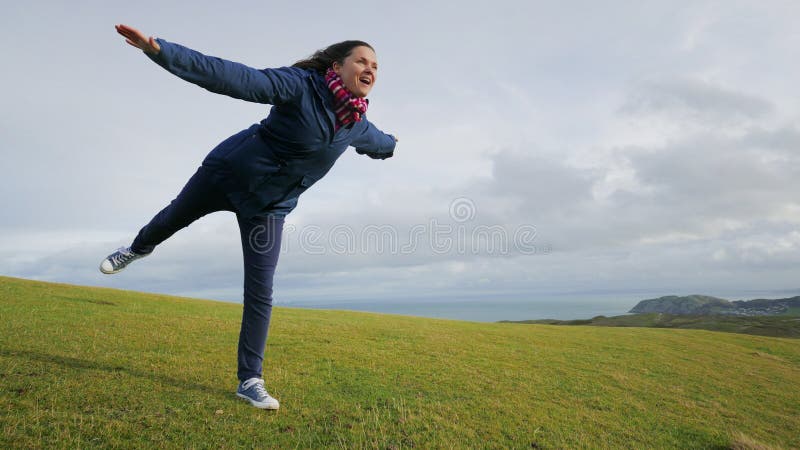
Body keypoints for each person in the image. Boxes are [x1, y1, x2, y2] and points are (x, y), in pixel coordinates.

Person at [100, 24, 398, 410]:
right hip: (226, 176)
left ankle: (250, 380)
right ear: (338, 66)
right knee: (171, 218)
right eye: (362, 60)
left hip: (268, 209)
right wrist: (162, 51)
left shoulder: (356, 124)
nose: (370, 68)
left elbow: (380, 143)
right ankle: (137, 248)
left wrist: (392, 147)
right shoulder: (300, 85)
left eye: (375, 65)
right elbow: (236, 77)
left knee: (261, 292)